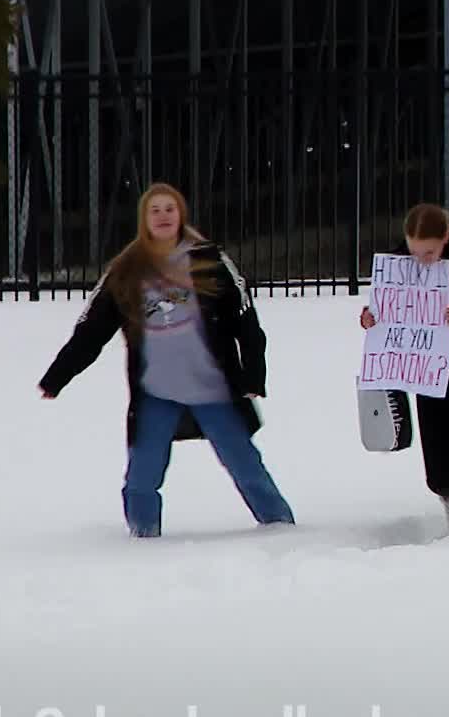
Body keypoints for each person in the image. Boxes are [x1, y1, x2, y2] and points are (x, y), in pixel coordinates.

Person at [39, 182, 294, 538]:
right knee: (143, 476)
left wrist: (253, 376)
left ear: (181, 215)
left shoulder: (209, 260)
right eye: (154, 210)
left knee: (245, 465)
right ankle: (144, 539)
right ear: (144, 220)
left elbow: (246, 322)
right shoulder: (126, 269)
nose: (162, 216)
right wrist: (57, 377)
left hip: (213, 389)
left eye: (169, 209)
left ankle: (282, 530)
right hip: (156, 393)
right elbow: (92, 329)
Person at [360, 203, 449, 531]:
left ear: (447, 237)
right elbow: (389, 313)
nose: (422, 259)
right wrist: (372, 319)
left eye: (430, 252)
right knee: (437, 471)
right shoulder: (397, 269)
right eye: (415, 251)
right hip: (430, 376)